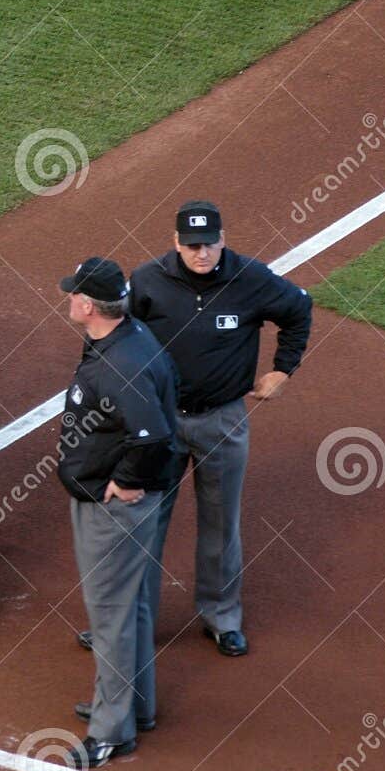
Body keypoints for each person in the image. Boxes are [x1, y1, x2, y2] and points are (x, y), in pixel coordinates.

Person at [89, 199, 313, 659]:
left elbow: (299, 309)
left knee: (220, 524)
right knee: (144, 521)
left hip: (222, 421)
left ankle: (221, 616)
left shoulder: (251, 278)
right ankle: (128, 621)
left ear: (222, 239)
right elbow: (116, 330)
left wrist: (283, 369)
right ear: (176, 242)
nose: (201, 254)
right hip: (161, 422)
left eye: (209, 244)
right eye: (191, 245)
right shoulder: (148, 279)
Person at [56, 258, 180, 769]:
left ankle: (111, 730)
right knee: (132, 608)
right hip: (122, 507)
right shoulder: (127, 337)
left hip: (113, 513)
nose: (67, 300)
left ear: (89, 306)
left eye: (72, 295)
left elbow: (152, 436)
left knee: (110, 616)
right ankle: (136, 707)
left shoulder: (121, 364)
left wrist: (126, 482)